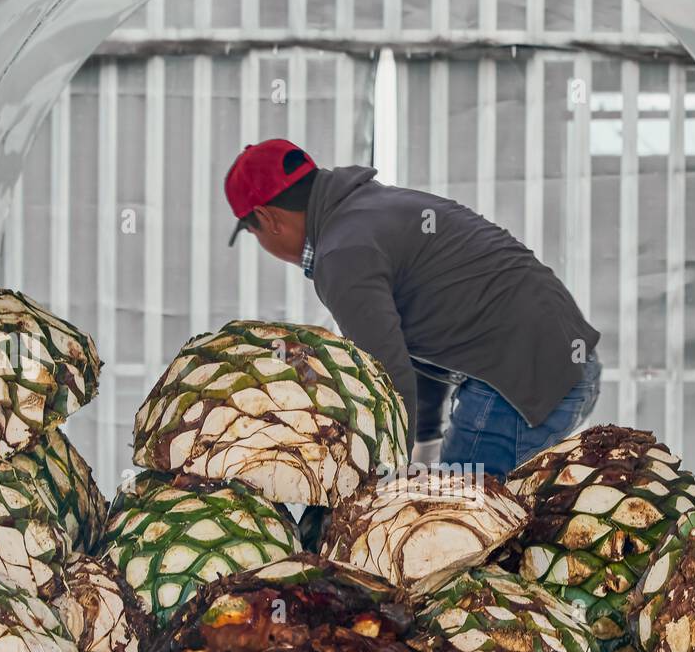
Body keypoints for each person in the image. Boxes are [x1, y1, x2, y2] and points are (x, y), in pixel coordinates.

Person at [224, 138, 601, 476]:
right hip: (567, 365)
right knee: (469, 503)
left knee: (454, 514)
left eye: (254, 232)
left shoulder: (342, 253)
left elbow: (387, 375)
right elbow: (418, 347)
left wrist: (383, 480)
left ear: (268, 218)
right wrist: (426, 442)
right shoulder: (370, 209)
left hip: (525, 384)